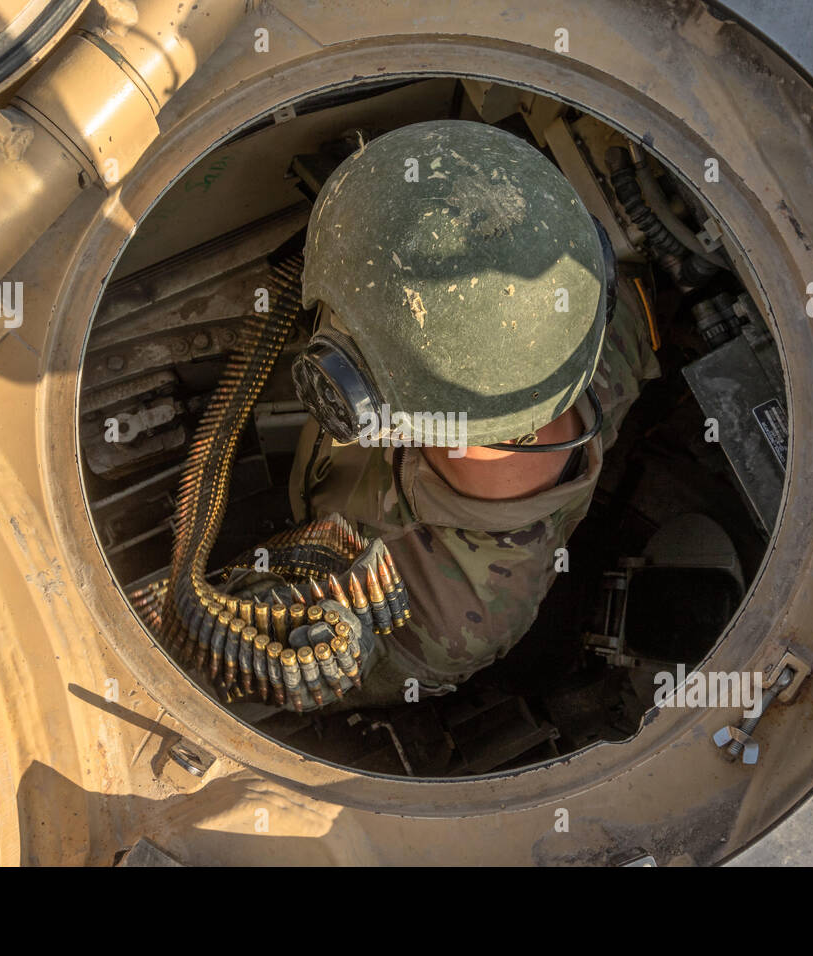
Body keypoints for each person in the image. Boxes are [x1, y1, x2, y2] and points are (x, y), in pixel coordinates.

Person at [256, 119, 660, 708]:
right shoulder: (586, 324)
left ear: (368, 408)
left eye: (345, 346)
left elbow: (266, 674)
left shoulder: (436, 627)